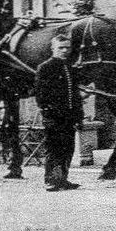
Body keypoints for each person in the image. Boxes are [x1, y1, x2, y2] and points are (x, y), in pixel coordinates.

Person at [34, 34, 83, 192]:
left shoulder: (70, 67)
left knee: (68, 148)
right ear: (52, 49)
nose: (64, 51)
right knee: (54, 148)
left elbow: (75, 95)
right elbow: (40, 94)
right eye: (60, 48)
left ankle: (63, 179)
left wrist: (78, 116)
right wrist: (48, 112)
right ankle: (52, 180)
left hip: (69, 116)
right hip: (54, 117)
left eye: (67, 48)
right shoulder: (45, 67)